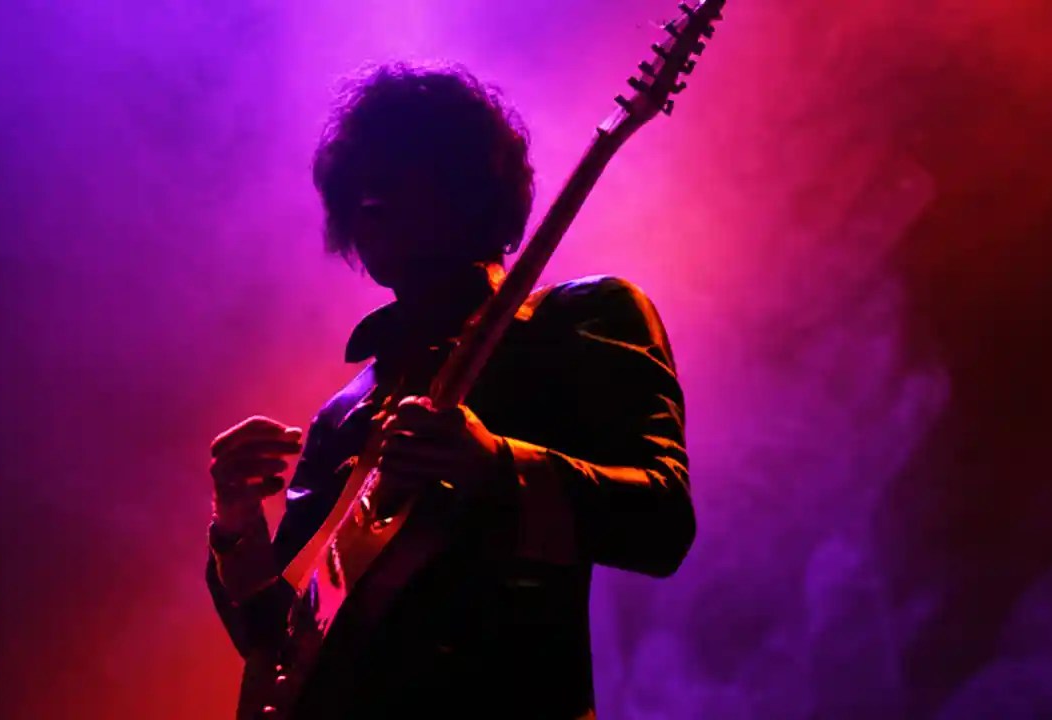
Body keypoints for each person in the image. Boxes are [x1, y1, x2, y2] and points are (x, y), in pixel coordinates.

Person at [206, 61, 695, 720]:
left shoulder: (582, 321)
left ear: (468, 189)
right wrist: (236, 522)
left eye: (398, 174)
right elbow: (279, 642)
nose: (369, 201)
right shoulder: (346, 414)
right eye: (359, 183)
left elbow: (663, 524)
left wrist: (494, 464)